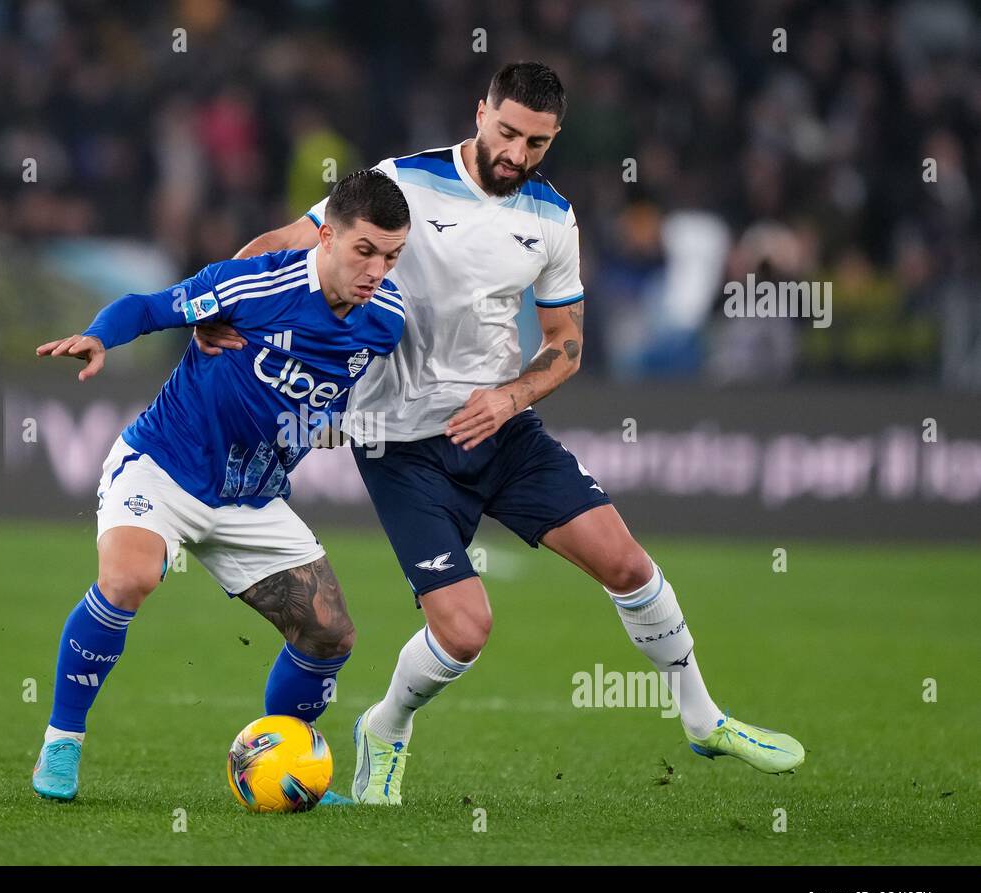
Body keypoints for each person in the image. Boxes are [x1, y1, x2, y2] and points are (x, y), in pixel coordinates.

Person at [194, 62, 804, 806]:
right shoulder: (404, 182)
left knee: (628, 564)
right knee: (466, 629)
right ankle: (385, 728)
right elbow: (292, 240)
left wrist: (511, 396)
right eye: (507, 131)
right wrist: (212, 297)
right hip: (398, 443)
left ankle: (703, 717)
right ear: (480, 111)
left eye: (537, 142)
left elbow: (566, 343)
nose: (516, 152)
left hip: (503, 431)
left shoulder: (552, 218)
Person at [30, 170, 410, 802]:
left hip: (253, 499)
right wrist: (99, 336)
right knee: (129, 579)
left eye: (392, 257)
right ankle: (61, 743)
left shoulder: (385, 320)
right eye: (364, 251)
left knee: (330, 634)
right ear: (327, 238)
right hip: (165, 467)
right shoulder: (258, 284)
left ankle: (284, 761)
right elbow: (148, 308)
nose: (376, 270)